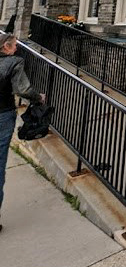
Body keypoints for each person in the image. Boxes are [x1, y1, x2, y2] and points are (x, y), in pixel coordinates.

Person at [0, 32, 45, 232]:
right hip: (3, 115)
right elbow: (23, 89)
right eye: (14, 45)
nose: (17, 48)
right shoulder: (13, 63)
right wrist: (38, 98)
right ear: (5, 47)